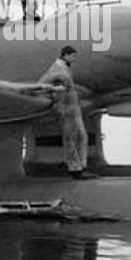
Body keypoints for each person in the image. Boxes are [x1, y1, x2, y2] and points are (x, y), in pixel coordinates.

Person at [38, 45, 96, 179]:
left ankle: (81, 166)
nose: (75, 59)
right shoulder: (58, 69)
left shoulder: (63, 68)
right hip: (67, 108)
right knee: (72, 138)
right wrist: (58, 103)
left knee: (81, 136)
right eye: (73, 56)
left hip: (73, 107)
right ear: (66, 55)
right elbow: (46, 85)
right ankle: (75, 169)